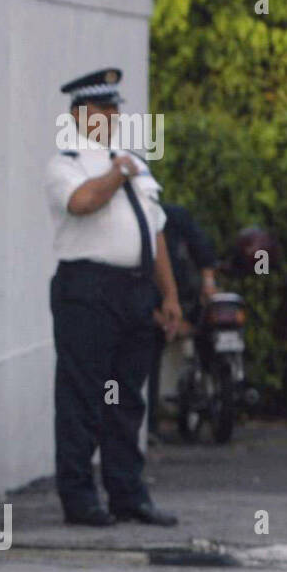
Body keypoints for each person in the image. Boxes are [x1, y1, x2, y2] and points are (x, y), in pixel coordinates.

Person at [44, 68, 182, 527]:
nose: (111, 116)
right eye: (101, 109)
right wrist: (116, 173)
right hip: (87, 289)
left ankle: (128, 493)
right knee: (83, 397)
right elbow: (82, 203)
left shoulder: (133, 162)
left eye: (114, 108)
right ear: (79, 115)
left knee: (127, 399)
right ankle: (80, 497)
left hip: (136, 289)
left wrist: (170, 295)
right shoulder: (66, 162)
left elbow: (155, 230)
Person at [148, 201, 218, 439]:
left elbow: (204, 251)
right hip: (151, 303)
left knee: (211, 333)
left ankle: (213, 391)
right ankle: (149, 426)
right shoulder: (137, 229)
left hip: (185, 299)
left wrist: (208, 284)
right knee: (149, 351)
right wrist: (158, 318)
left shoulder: (176, 217)